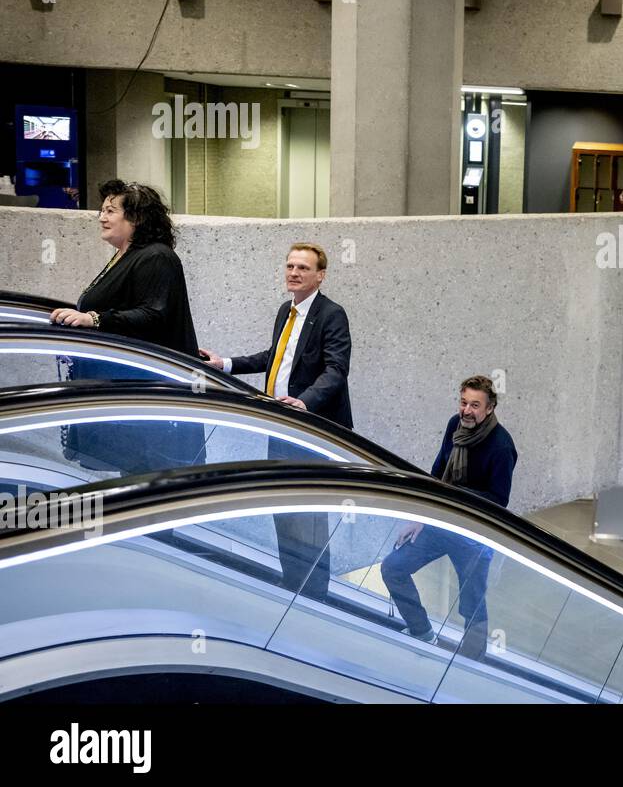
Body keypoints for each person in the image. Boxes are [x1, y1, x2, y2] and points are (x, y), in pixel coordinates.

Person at [200, 243, 352, 601]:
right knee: (284, 508)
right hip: (279, 426)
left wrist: (305, 402)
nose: (294, 272)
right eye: (290, 266)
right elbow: (276, 357)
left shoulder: (332, 314)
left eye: (303, 267)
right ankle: (292, 583)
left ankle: (314, 595)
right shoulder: (287, 310)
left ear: (321, 275)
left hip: (311, 431)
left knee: (310, 517)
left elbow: (336, 370)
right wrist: (226, 364)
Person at [50, 179, 204, 473]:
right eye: (102, 210)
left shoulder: (156, 256)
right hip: (129, 397)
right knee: (132, 482)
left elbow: (152, 315)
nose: (102, 217)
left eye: (111, 210)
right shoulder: (125, 256)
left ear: (137, 217)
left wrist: (94, 319)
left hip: (151, 402)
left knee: (152, 491)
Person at [381, 375, 517, 658]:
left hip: (473, 534)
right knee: (393, 567)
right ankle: (422, 632)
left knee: (473, 601)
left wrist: (458, 498)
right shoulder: (455, 426)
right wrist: (420, 515)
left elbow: (498, 500)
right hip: (442, 521)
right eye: (464, 402)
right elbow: (437, 471)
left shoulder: (502, 446)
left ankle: (471, 662)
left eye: (475, 405)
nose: (467, 410)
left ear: (490, 408)